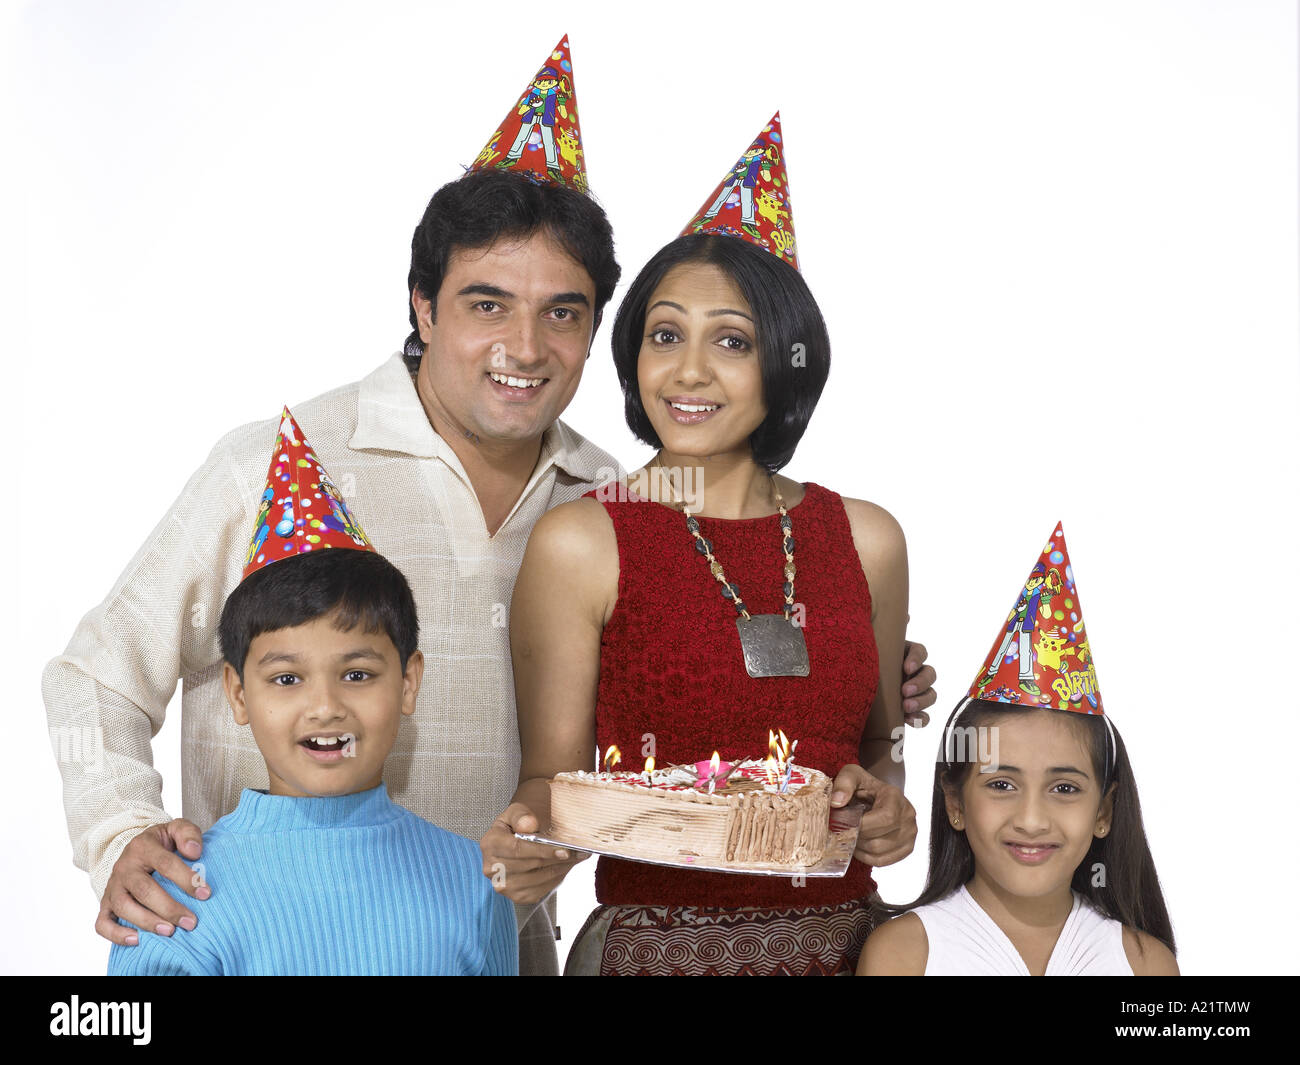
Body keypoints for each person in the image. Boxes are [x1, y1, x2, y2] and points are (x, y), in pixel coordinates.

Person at [43, 48, 934, 976]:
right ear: (423, 307)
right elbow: (94, 674)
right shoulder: (275, 461)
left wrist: (864, 658)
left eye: (563, 313)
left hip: (500, 941)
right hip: (276, 940)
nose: (524, 345)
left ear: (598, 333)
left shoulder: (609, 505)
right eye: (487, 303)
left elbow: (696, 696)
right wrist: (121, 833)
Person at [483, 116, 917, 975]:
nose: (687, 372)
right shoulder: (585, 540)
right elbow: (553, 781)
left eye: (732, 341)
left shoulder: (866, 538)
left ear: (787, 365)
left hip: (850, 946)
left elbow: (878, 751)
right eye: (664, 333)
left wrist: (888, 807)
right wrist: (528, 837)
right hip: (651, 948)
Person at [108, 411, 516, 975]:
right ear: (238, 694)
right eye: (286, 679)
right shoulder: (171, 897)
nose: (325, 707)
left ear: (409, 680)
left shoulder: (474, 880)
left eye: (356, 674)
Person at [857, 525, 1177, 976]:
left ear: (1104, 811)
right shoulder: (905, 954)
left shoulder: (1145, 963)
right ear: (955, 803)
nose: (1031, 819)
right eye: (1002, 784)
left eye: (1064, 787)